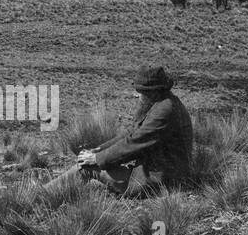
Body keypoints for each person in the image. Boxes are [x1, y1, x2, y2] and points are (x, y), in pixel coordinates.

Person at [52, 67, 193, 196]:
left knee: (85, 167)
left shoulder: (165, 110)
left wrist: (96, 159)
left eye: (141, 92)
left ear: (154, 92)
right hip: (156, 174)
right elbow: (131, 133)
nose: (138, 96)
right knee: (90, 164)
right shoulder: (163, 103)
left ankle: (43, 195)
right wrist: (98, 150)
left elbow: (135, 142)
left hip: (159, 182)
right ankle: (48, 192)